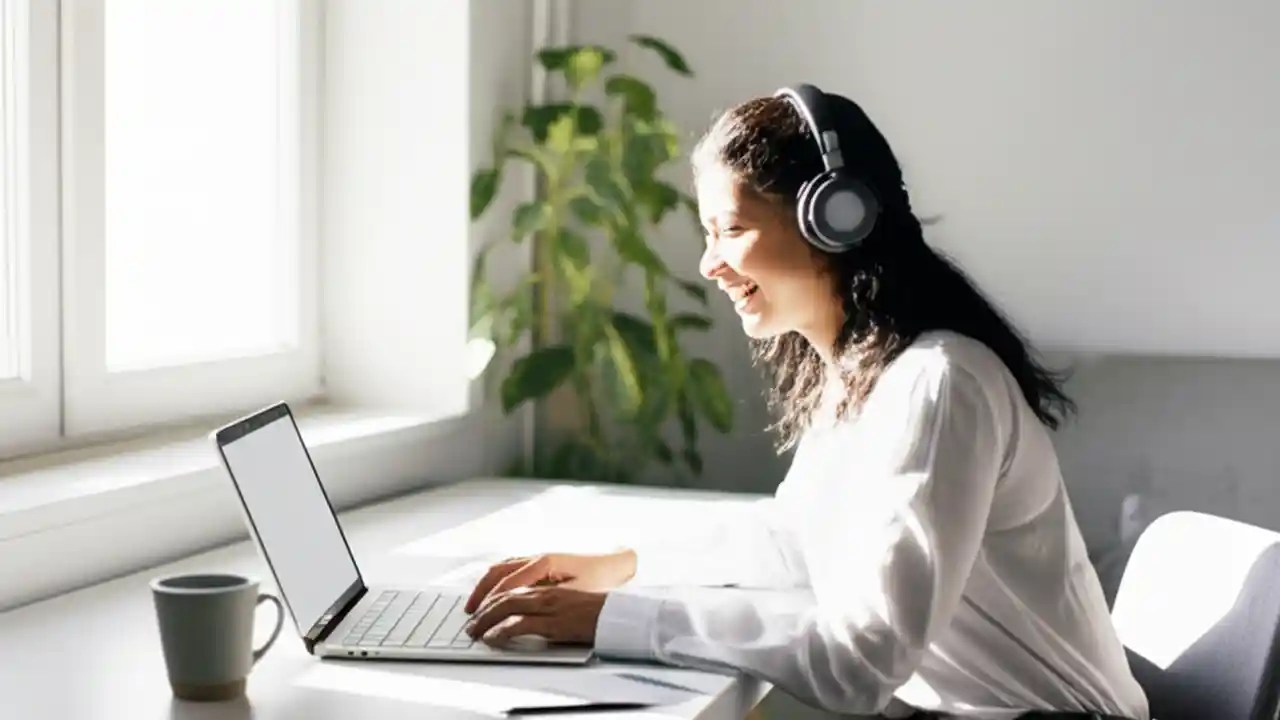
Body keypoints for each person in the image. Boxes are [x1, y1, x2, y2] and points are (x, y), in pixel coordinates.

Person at [462, 84, 1149, 720]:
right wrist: (619, 567)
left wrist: (616, 620)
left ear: (833, 217)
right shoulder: (860, 373)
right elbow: (797, 539)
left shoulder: (942, 382)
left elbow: (861, 662)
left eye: (729, 230)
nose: (709, 264)